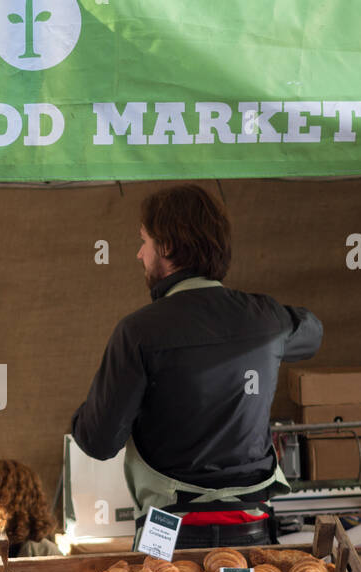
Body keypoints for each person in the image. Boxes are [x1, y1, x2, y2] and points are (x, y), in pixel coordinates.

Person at [70, 184, 324, 549]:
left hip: (169, 533)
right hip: (253, 530)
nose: (139, 254)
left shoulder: (139, 332)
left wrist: (94, 407)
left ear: (168, 247)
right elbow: (313, 333)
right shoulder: (267, 318)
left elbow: (97, 441)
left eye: (145, 241)